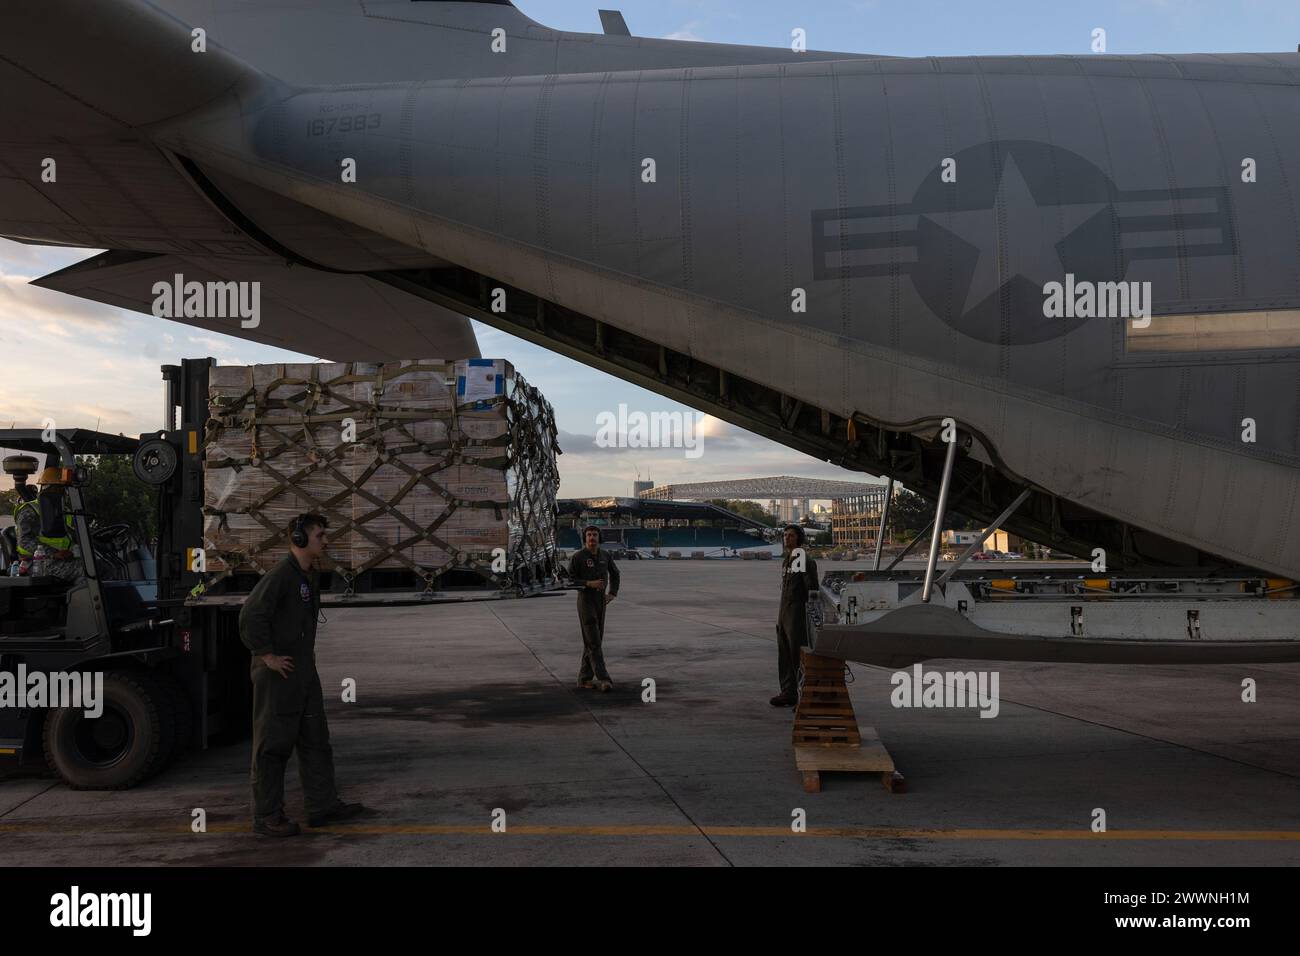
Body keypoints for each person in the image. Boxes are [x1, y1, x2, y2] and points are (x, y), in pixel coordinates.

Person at [239, 512, 365, 837]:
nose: (325, 540)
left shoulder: (307, 575)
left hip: (303, 672)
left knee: (315, 740)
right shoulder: (282, 575)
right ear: (299, 539)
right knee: (273, 746)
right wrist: (267, 656)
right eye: (320, 535)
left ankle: (323, 806)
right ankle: (266, 817)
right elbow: (251, 614)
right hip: (279, 675)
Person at [771, 524, 818, 707]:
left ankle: (802, 695)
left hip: (796, 614)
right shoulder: (788, 560)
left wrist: (810, 614)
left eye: (791, 535)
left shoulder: (803, 559)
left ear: (799, 538)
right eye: (785, 535)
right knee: (784, 655)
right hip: (784, 612)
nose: (786, 538)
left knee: (796, 655)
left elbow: (812, 589)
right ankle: (788, 692)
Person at [568, 525, 620, 692]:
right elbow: (569, 580)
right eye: (589, 535)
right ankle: (604, 678)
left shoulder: (605, 555)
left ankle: (584, 679)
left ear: (599, 538)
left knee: (593, 641)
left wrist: (612, 593)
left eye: (595, 535)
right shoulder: (578, 557)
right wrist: (588, 583)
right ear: (585, 538)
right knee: (594, 641)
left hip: (601, 602)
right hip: (586, 602)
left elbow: (615, 573)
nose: (592, 538)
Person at [31, 467, 83, 583]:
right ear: (51, 488)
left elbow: (74, 534)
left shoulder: (63, 510)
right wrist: (53, 553)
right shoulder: (30, 510)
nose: (65, 493)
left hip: (63, 559)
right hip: (37, 563)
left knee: (98, 564)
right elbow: (24, 542)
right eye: (62, 489)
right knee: (89, 571)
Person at [5, 456, 41, 576]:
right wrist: (51, 553)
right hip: (32, 561)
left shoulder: (43, 511)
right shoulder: (27, 512)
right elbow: (25, 543)